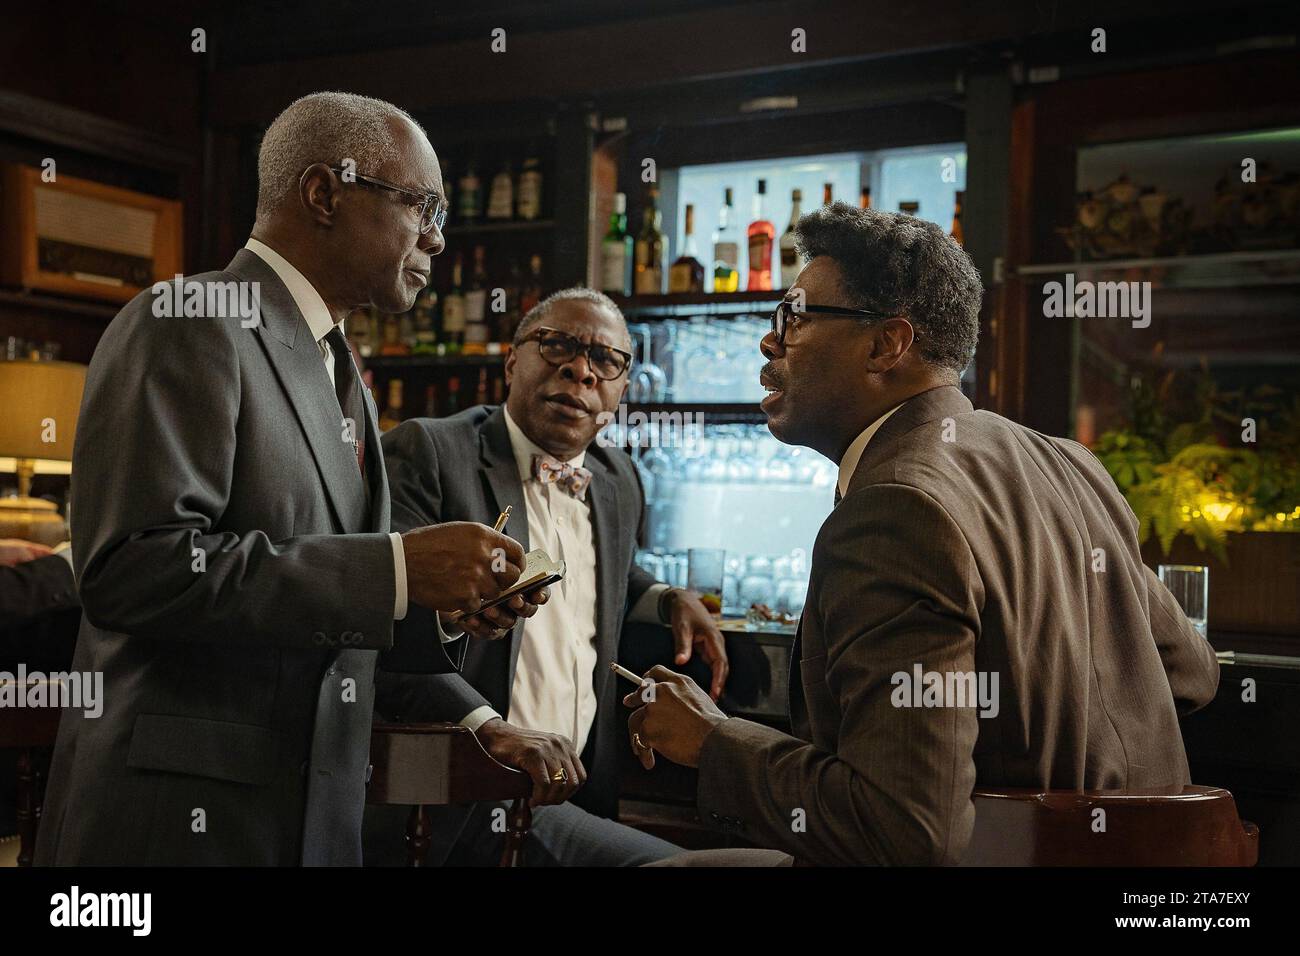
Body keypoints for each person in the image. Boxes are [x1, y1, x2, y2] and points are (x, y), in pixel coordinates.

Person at [35, 92, 545, 866]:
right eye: (422, 205)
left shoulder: (342, 367)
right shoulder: (189, 318)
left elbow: (323, 610)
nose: (438, 238)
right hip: (181, 824)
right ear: (323, 192)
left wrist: (431, 604)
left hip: (312, 816)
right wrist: (399, 569)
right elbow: (131, 569)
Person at [625, 202, 1220, 866]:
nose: (769, 341)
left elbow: (901, 832)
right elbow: (1192, 675)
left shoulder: (894, 509)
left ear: (887, 345)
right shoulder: (1068, 463)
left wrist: (713, 743)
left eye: (794, 318)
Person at [365, 288, 726, 866]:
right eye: (557, 344)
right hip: (458, 792)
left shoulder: (617, 477)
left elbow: (604, 575)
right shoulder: (430, 450)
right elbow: (385, 623)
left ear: (621, 388)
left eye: (605, 360)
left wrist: (665, 598)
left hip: (575, 790)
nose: (580, 368)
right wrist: (488, 729)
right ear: (513, 361)